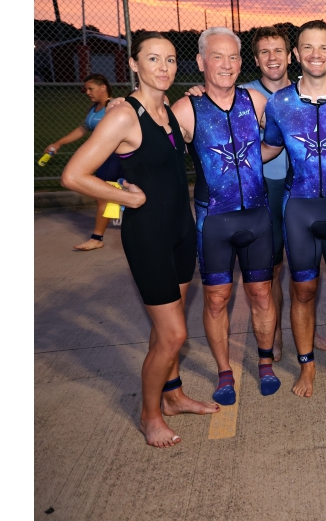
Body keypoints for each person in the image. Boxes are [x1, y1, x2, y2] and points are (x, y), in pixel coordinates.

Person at [60, 32, 218, 447]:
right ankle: (150, 415)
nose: (163, 67)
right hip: (147, 235)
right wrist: (125, 197)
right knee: (174, 334)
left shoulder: (168, 109)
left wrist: (198, 92)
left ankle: (174, 396)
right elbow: (73, 175)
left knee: (167, 328)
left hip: (180, 231)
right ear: (134, 64)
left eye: (170, 59)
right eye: (153, 58)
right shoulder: (123, 115)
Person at [170, 27, 279, 405]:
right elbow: (148, 134)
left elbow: (285, 128)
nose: (227, 64)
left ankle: (266, 363)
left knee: (262, 293)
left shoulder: (256, 101)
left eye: (233, 57)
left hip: (257, 218)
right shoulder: (187, 109)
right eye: (218, 56)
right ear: (201, 62)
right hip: (214, 221)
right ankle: (224, 372)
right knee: (217, 299)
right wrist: (126, 104)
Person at [260, 20, 326, 397]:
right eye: (307, 47)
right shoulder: (280, 102)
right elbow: (270, 147)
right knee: (303, 289)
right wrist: (228, 158)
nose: (316, 54)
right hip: (300, 208)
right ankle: (306, 365)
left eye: (323, 47)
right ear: (296, 54)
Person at [237, 27, 326, 360]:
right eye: (264, 52)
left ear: (290, 55)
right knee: (274, 267)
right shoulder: (244, 96)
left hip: (301, 190)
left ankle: (308, 328)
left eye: (278, 50)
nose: (272, 58)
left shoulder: (307, 90)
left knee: (306, 267)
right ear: (255, 59)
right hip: (264, 186)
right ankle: (275, 332)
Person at [45, 73, 125, 251]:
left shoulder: (114, 106)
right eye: (86, 89)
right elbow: (82, 129)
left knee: (103, 195)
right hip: (102, 158)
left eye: (91, 88)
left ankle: (97, 238)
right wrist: (58, 143)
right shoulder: (95, 108)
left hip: (114, 158)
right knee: (110, 194)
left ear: (103, 87)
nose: (87, 92)